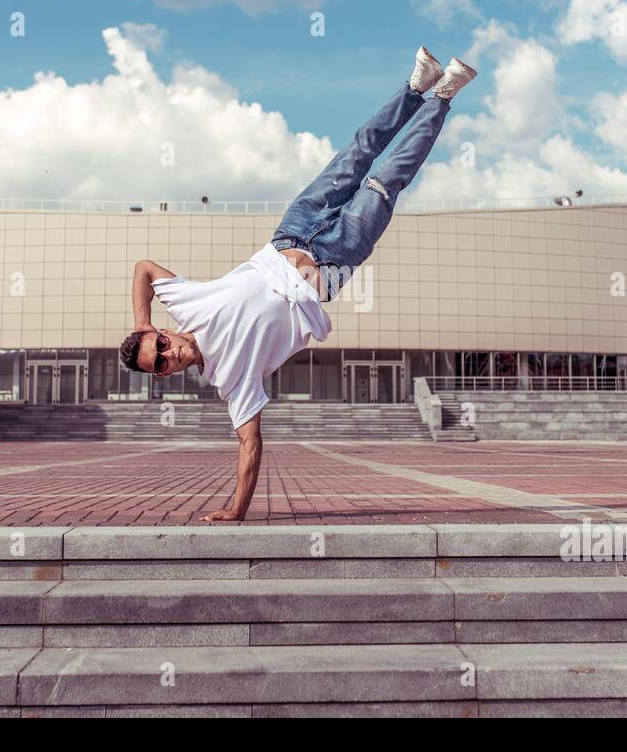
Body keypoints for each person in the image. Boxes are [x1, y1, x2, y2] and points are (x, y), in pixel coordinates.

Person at [120, 46, 477, 521]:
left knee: (356, 153)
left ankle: (416, 86)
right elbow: (250, 446)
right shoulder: (231, 379)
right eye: (161, 364)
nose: (170, 354)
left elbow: (144, 267)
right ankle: (445, 95)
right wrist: (236, 510)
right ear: (165, 374)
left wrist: (140, 323)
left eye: (159, 345)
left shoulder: (188, 306)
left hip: (293, 229)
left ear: (161, 333)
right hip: (330, 266)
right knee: (384, 182)